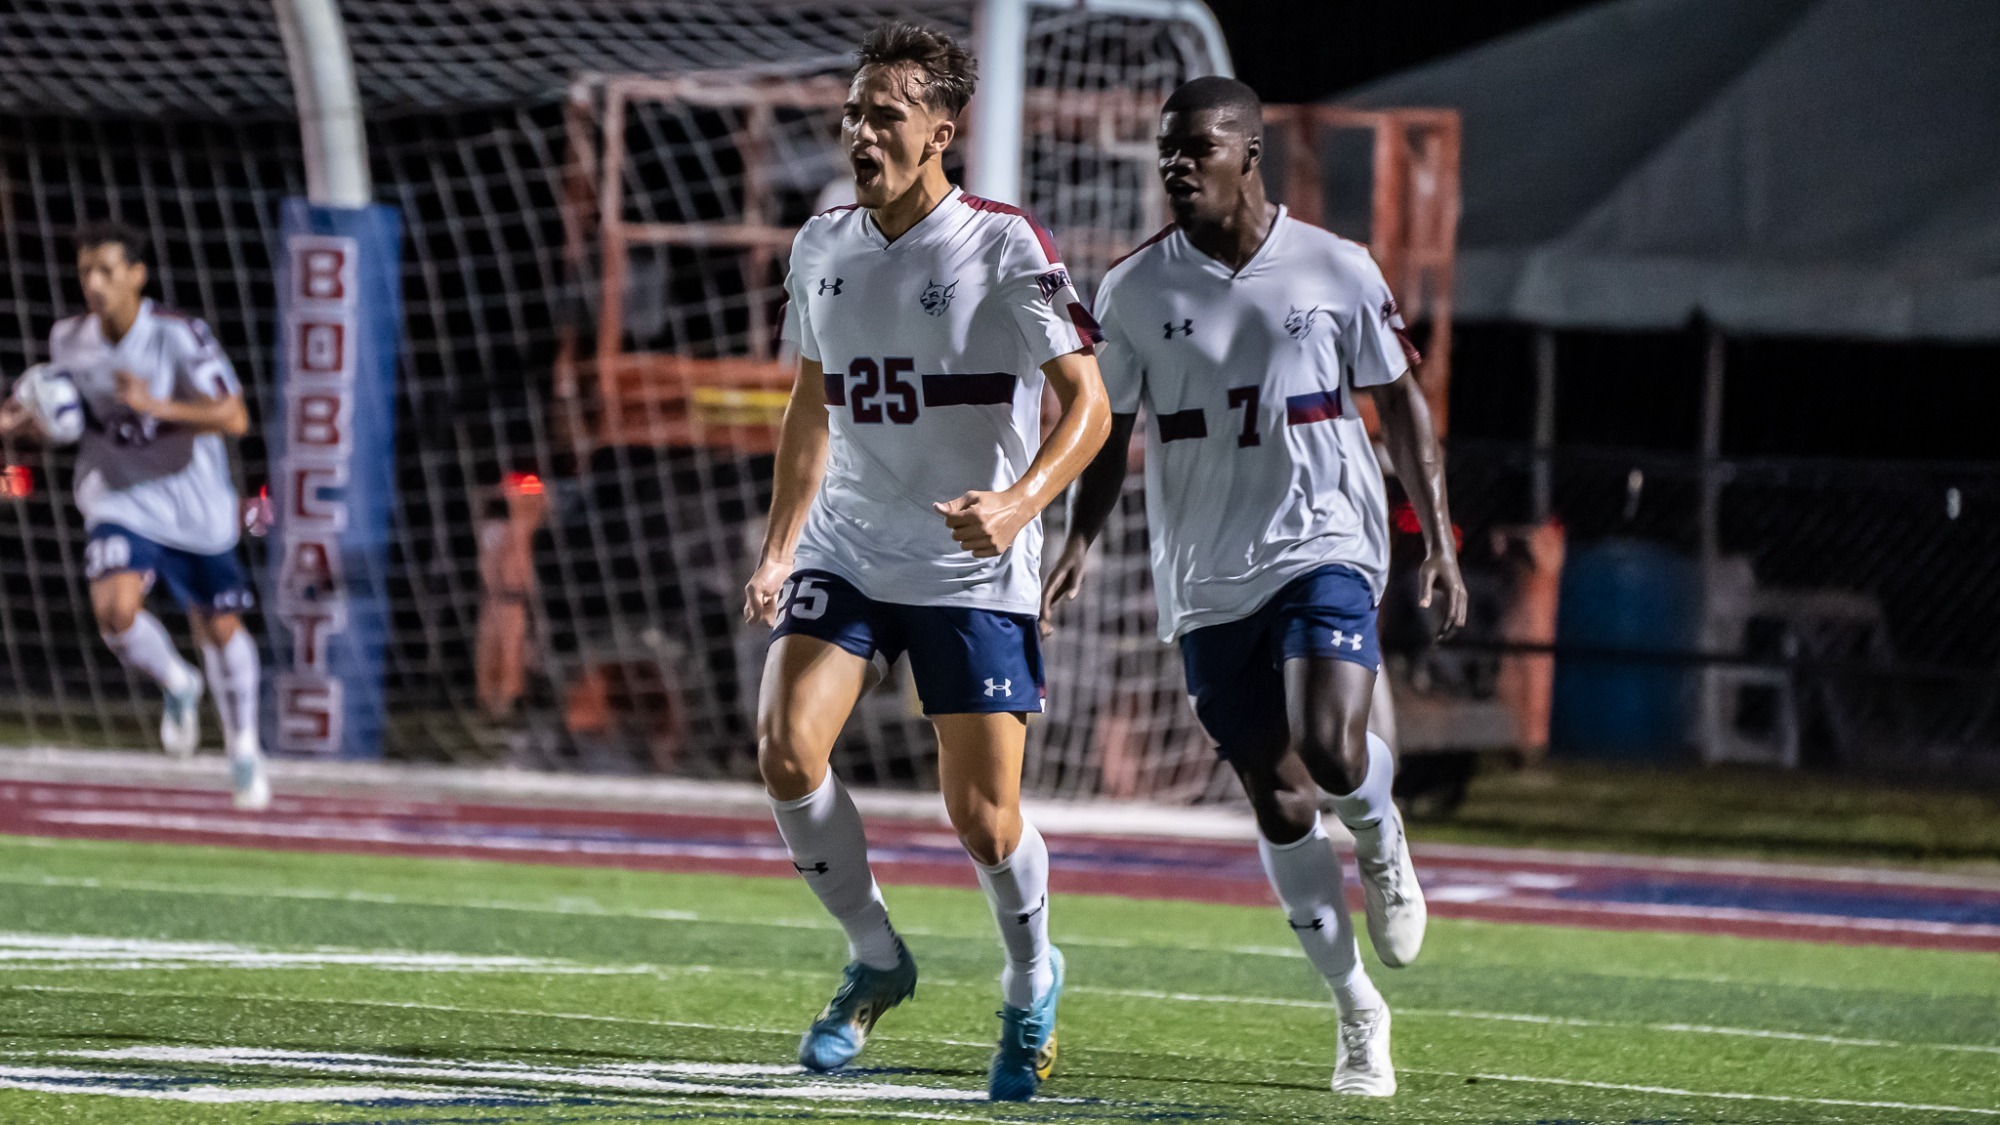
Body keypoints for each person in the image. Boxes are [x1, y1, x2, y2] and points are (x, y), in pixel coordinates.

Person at [1042, 76, 1468, 1097]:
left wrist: (1435, 541)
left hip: (1325, 540)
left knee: (1326, 743)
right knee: (1275, 799)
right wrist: (1080, 540)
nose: (1174, 167)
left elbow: (1400, 405)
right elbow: (1106, 432)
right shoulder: (1134, 290)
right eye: (1164, 152)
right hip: (1204, 568)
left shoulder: (1335, 267)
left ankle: (1377, 828)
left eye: (1194, 149)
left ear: (1247, 153)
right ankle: (1355, 1011)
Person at [741, 22, 1110, 1102]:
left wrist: (1016, 503)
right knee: (782, 748)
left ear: (941, 131)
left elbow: (1086, 408)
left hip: (966, 564)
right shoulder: (821, 245)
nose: (860, 132)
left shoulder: (1000, 243)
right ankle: (875, 958)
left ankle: (1031, 974)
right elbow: (811, 405)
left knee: (982, 820)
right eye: (852, 112)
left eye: (884, 115)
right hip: (851, 547)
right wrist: (778, 550)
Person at [0, 221, 270, 810]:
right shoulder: (67, 339)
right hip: (119, 496)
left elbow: (235, 417)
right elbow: (57, 410)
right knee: (115, 611)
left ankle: (244, 747)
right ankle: (177, 683)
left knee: (219, 629)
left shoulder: (178, 336)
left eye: (106, 271)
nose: (93, 284)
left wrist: (156, 404)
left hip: (193, 502)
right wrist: (21, 423)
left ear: (137, 276)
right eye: (85, 273)